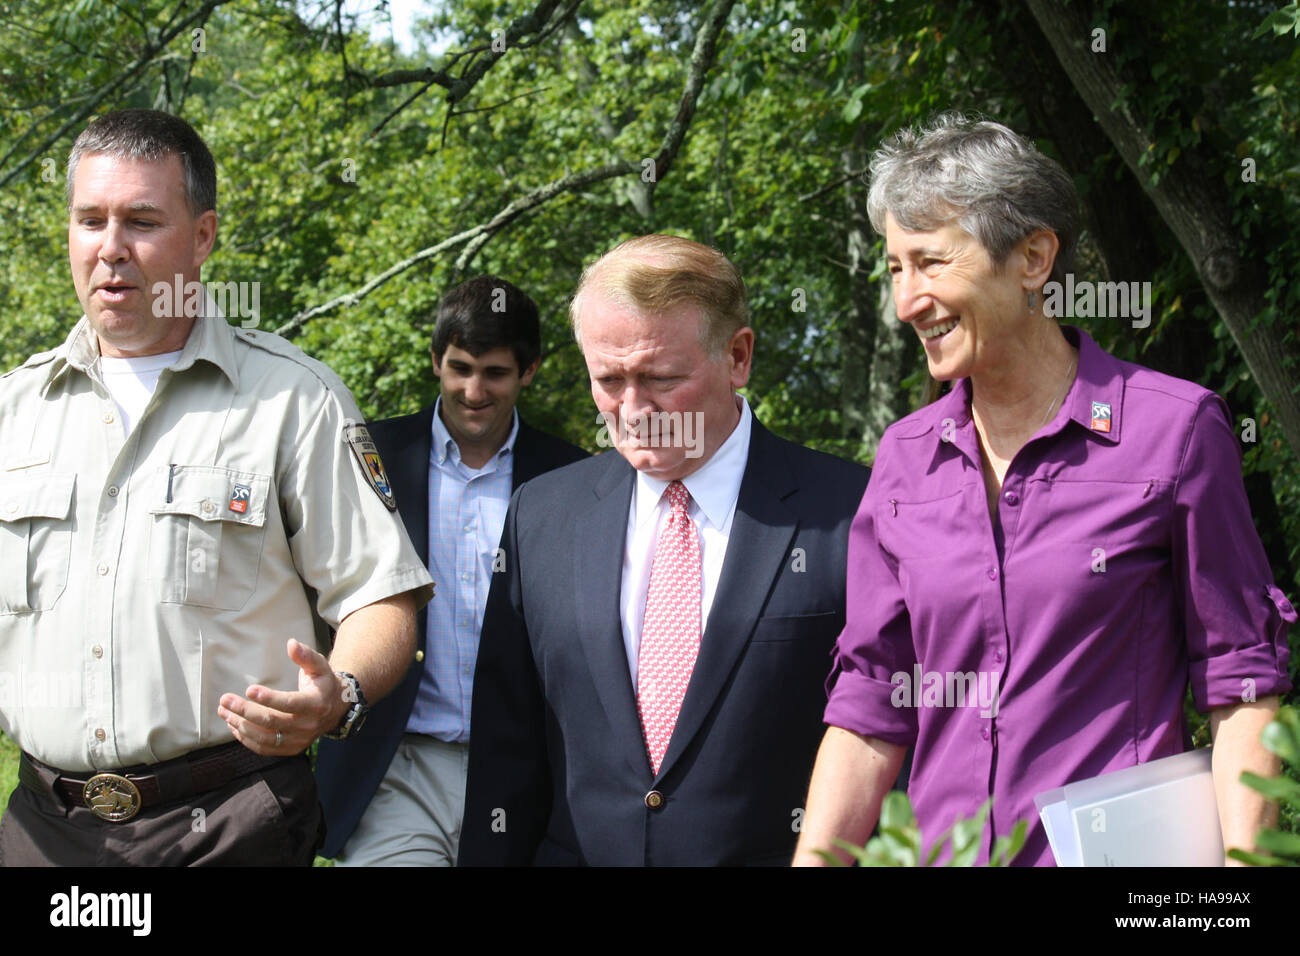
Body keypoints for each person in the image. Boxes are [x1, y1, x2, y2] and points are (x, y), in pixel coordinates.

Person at [794, 113, 1294, 867]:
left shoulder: (1177, 431)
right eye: (895, 269)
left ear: (1033, 258)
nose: (907, 301)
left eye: (930, 262)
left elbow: (1241, 681)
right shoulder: (902, 459)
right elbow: (870, 705)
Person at [0, 108, 434, 866]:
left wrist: (342, 694)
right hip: (45, 830)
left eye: (141, 220)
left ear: (203, 237)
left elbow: (380, 596)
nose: (110, 249)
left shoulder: (294, 399)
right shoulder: (13, 412)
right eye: (89, 220)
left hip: (229, 825)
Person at [457, 234, 871, 866]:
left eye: (660, 378)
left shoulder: (852, 512)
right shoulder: (542, 516)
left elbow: (890, 738)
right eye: (608, 379)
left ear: (738, 357)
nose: (631, 409)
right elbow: (505, 753)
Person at [315, 275, 588, 865]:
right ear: (436, 360)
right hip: (395, 765)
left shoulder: (575, 479)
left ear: (529, 371)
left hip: (525, 774)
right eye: (459, 367)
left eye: (494, 373)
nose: (473, 390)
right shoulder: (370, 460)